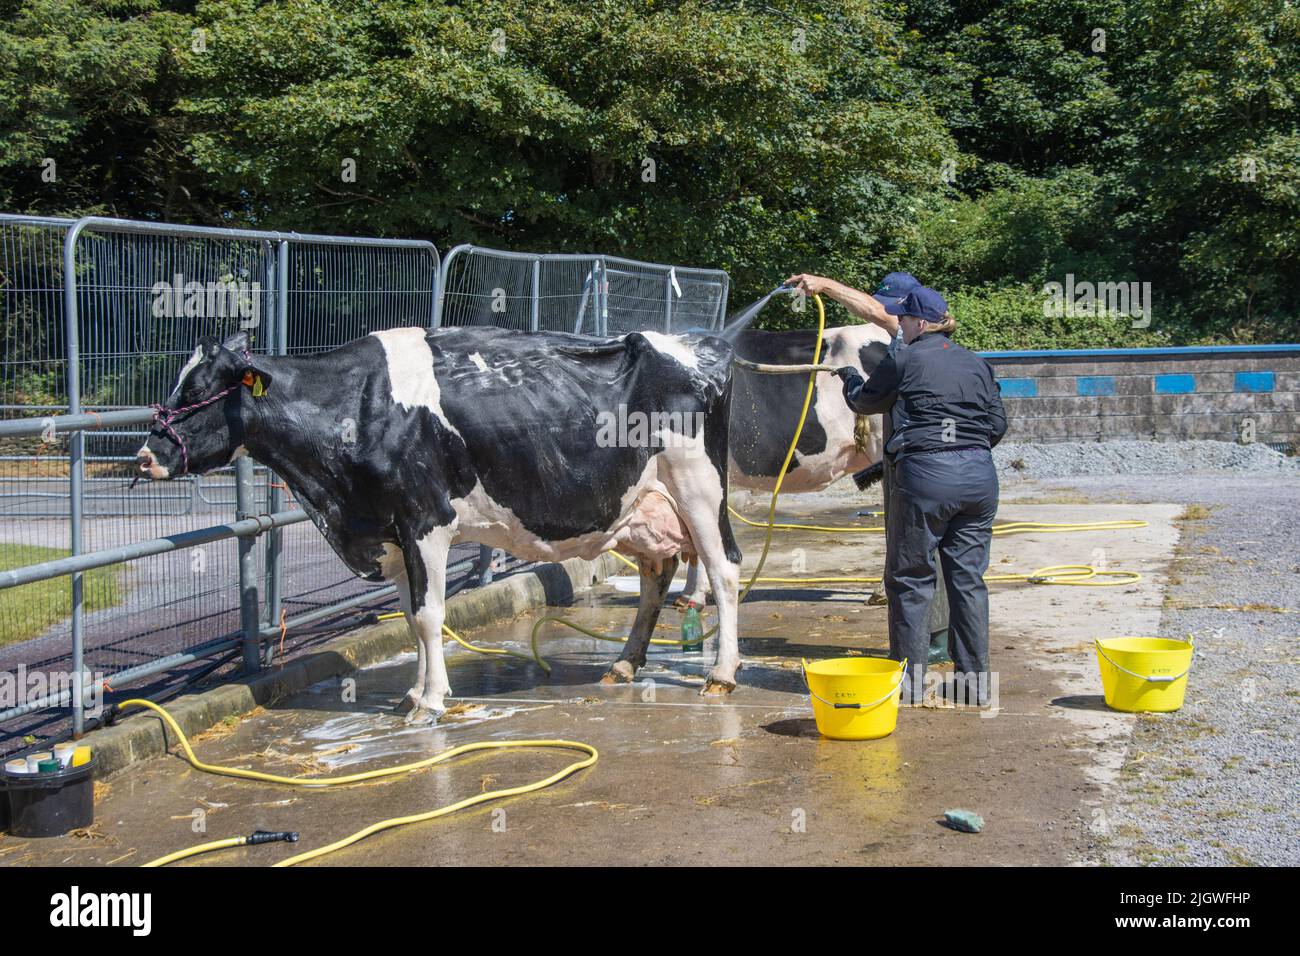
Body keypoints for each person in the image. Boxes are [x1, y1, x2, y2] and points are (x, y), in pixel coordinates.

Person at [786, 274, 1007, 705]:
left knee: (910, 579)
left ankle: (907, 684)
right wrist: (966, 450)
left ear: (921, 324)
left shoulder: (903, 357)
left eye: (903, 319)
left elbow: (866, 402)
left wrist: (849, 377)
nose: (898, 326)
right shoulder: (976, 362)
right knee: (968, 580)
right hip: (980, 479)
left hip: (925, 477)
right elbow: (996, 425)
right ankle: (974, 684)